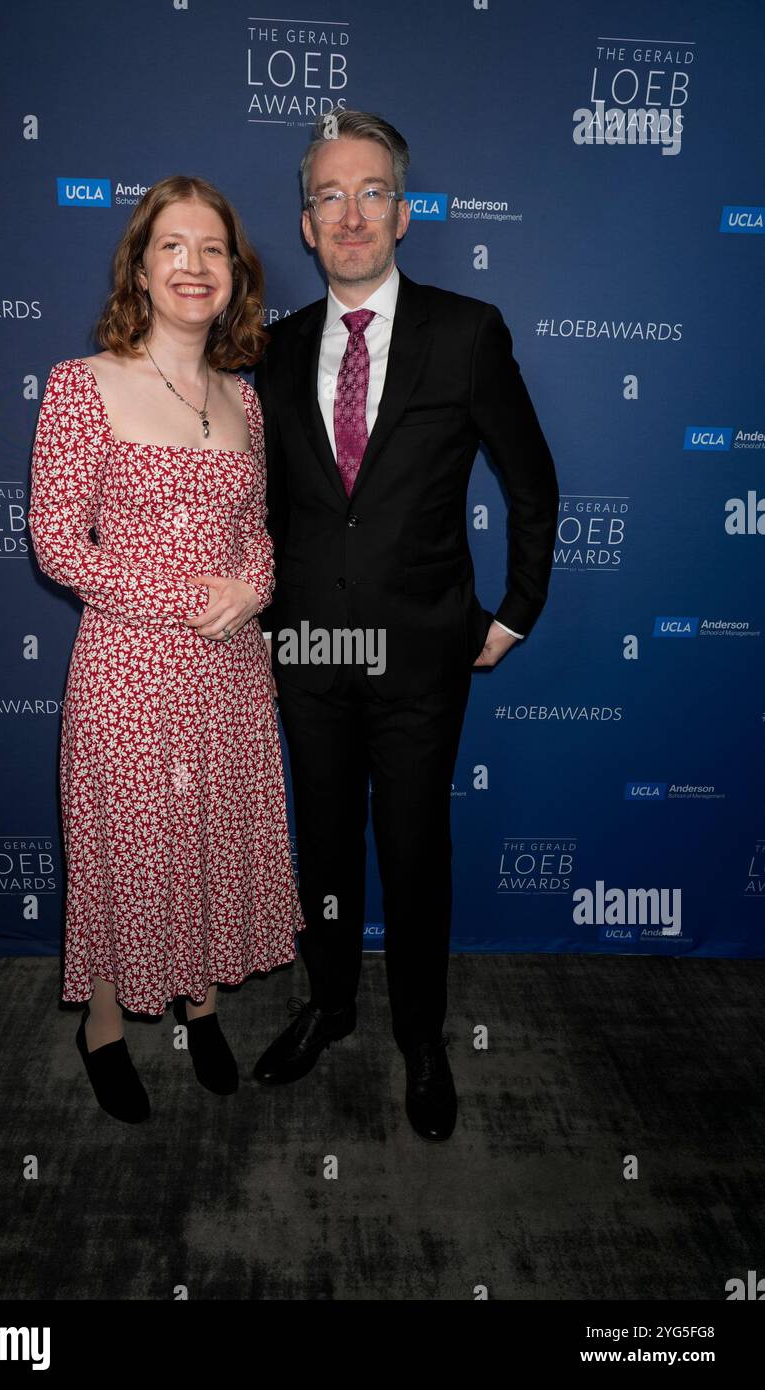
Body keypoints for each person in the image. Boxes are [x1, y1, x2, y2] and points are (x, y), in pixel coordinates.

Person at [252, 111, 559, 1141]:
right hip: (308, 654)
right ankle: (331, 1003)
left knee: (415, 849)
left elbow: (530, 482)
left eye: (371, 190)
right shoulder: (279, 348)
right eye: (329, 196)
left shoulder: (465, 332)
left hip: (422, 654)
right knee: (326, 847)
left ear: (404, 211)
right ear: (304, 225)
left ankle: (421, 1038)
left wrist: (516, 610)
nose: (351, 213)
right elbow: (268, 508)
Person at [28, 174, 305, 1125]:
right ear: (140, 270)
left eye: (214, 249)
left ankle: (202, 1000)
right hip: (131, 678)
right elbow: (59, 544)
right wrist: (192, 599)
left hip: (231, 678)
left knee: (210, 842)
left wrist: (254, 590)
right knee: (131, 852)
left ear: (236, 273)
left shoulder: (244, 400)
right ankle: (103, 1022)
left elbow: (259, 536)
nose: (195, 265)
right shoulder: (83, 385)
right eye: (173, 248)